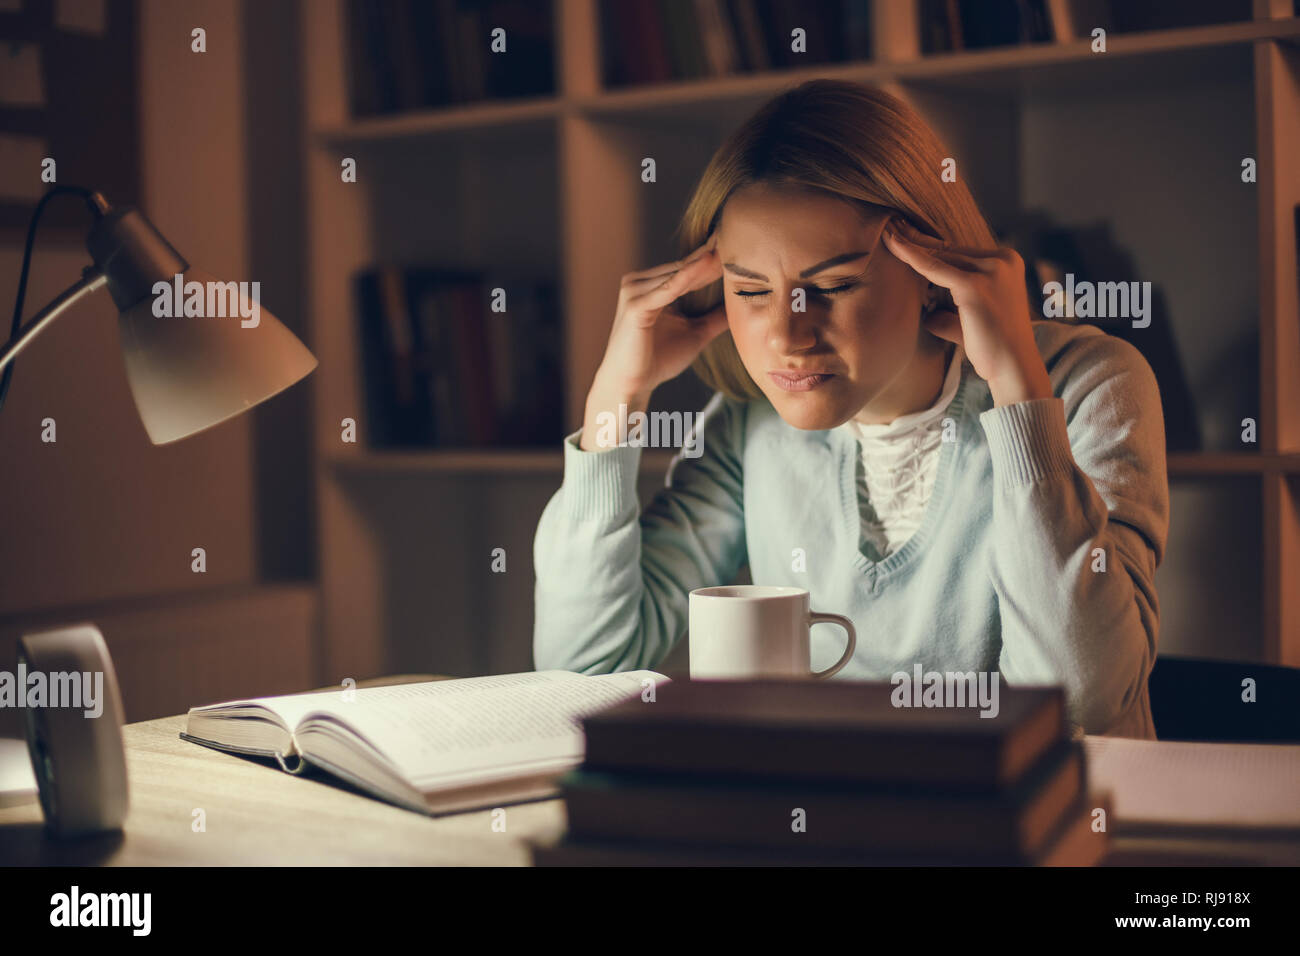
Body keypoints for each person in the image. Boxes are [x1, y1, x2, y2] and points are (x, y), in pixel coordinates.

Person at [532, 79, 1168, 739]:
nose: (786, 335)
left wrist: (1019, 395)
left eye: (832, 285)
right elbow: (584, 666)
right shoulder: (749, 425)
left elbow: (1074, 704)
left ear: (930, 273)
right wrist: (614, 400)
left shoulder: (1090, 384)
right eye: (750, 290)